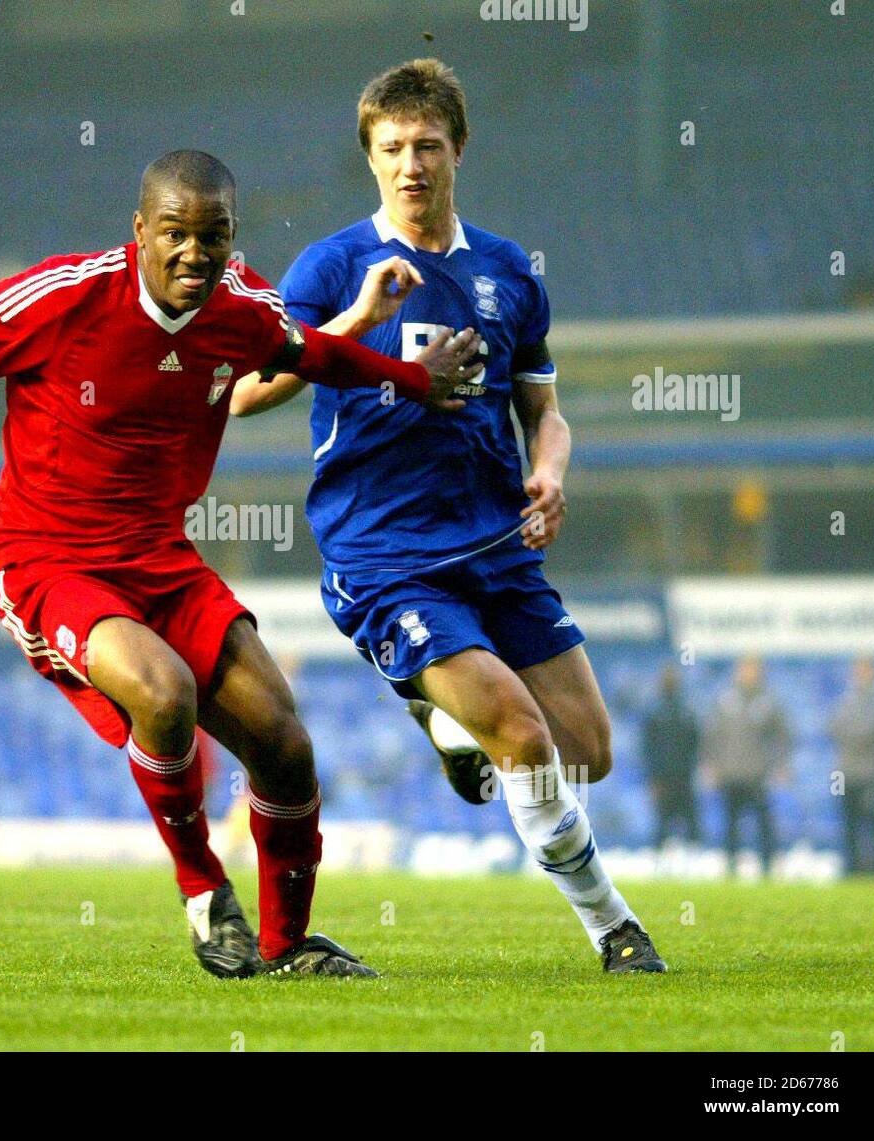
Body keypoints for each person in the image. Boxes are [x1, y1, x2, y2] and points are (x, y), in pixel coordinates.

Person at [0, 149, 481, 979]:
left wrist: (413, 379)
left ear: (232, 236)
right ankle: (203, 890)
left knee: (284, 740)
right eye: (176, 234)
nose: (196, 253)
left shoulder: (241, 306)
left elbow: (309, 353)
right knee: (164, 692)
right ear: (139, 231)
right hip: (47, 561)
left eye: (215, 236)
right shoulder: (62, 296)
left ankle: (287, 944)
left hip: (163, 560)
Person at [229, 59, 666, 972]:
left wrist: (549, 475)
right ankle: (614, 928)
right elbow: (244, 392)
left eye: (428, 146)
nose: (411, 164)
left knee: (588, 750)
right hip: (386, 553)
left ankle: (445, 725)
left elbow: (545, 412)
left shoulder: (509, 272)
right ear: (371, 158)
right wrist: (353, 318)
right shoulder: (333, 264)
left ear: (460, 148)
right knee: (524, 733)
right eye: (391, 149)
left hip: (497, 545)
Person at [703, 657, 791, 874]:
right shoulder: (725, 700)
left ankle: (768, 868)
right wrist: (710, 764)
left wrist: (781, 764)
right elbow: (712, 735)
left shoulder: (769, 701)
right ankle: (731, 868)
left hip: (757, 774)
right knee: (731, 825)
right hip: (730, 773)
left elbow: (783, 736)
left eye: (753, 669)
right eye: (745, 668)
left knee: (764, 825)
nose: (748, 673)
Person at [828, 657, 874, 874]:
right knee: (848, 821)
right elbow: (833, 729)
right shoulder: (845, 701)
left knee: (871, 820)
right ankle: (852, 868)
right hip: (844, 774)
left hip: (871, 773)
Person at [640, 664, 702, 849]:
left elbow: (695, 743)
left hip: (683, 777)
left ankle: (693, 858)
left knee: (691, 824)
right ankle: (659, 860)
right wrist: (652, 777)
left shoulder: (686, 712)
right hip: (663, 778)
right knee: (662, 824)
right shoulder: (654, 714)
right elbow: (647, 748)